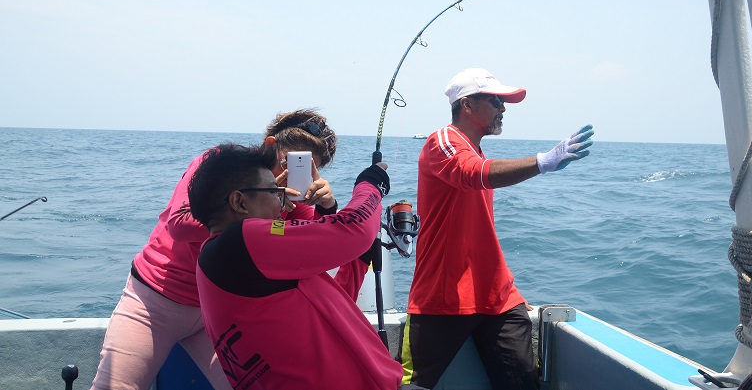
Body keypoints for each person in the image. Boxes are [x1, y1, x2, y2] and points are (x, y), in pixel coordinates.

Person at [91, 110, 340, 390]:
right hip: (157, 298)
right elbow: (179, 224)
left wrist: (327, 207)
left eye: (304, 168)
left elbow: (312, 250)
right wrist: (257, 211)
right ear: (271, 145)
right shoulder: (219, 164)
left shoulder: (291, 198)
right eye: (290, 161)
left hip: (221, 311)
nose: (290, 173)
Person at [401, 67, 594, 390]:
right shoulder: (444, 141)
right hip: (442, 295)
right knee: (412, 385)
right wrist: (542, 161)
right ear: (467, 105)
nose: (503, 108)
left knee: (522, 383)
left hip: (497, 297)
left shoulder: (475, 148)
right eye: (495, 100)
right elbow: (471, 173)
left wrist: (506, 287)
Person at [188, 143, 408, 390]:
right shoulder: (239, 241)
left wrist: (333, 222)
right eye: (274, 192)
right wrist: (371, 183)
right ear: (239, 202)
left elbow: (327, 304)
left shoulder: (227, 259)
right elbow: (353, 229)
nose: (281, 204)